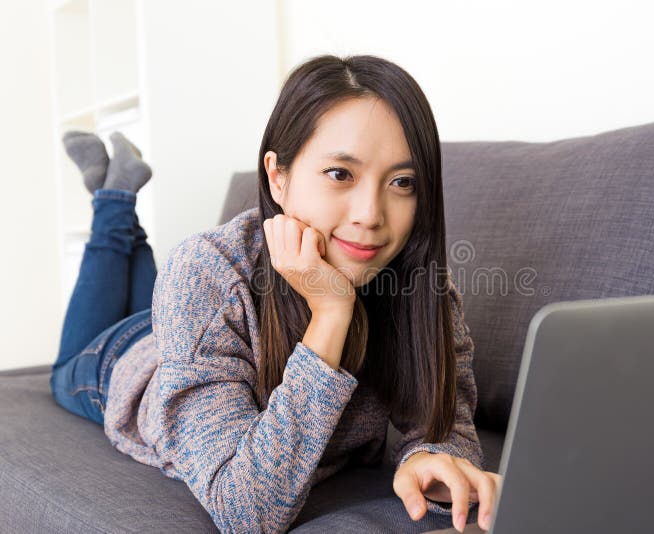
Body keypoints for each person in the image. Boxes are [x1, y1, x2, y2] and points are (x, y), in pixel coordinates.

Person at [50, 54, 501, 534]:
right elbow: (248, 512)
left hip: (197, 327)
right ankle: (114, 201)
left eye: (402, 182)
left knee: (164, 298)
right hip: (125, 358)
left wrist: (431, 456)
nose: (371, 215)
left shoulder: (420, 283)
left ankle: (118, 195)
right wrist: (331, 313)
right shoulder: (205, 270)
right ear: (277, 177)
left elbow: (446, 423)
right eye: (340, 174)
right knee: (66, 363)